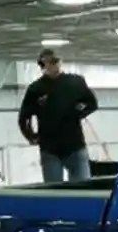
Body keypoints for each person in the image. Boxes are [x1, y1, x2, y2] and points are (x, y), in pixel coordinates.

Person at [18, 48, 99, 183]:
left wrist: (79, 112)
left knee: (82, 187)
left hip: (75, 145)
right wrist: (31, 136)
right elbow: (24, 117)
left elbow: (92, 103)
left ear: (60, 62)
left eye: (54, 62)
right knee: (54, 190)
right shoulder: (36, 89)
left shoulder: (76, 82)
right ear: (42, 66)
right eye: (46, 63)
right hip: (50, 148)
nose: (51, 66)